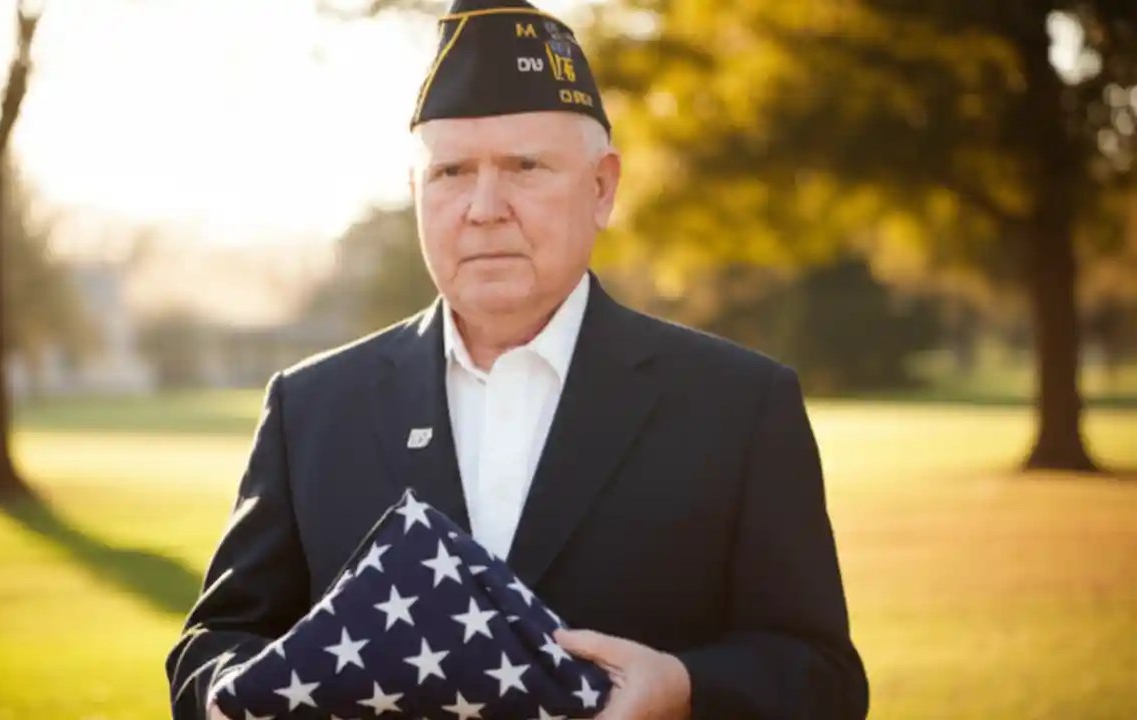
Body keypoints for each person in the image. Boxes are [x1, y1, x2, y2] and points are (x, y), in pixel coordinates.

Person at [165, 0, 869, 717]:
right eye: (450, 173)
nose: (483, 207)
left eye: (524, 166)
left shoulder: (738, 405)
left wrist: (684, 689)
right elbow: (213, 648)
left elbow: (821, 677)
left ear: (601, 188)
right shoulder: (311, 408)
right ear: (415, 193)